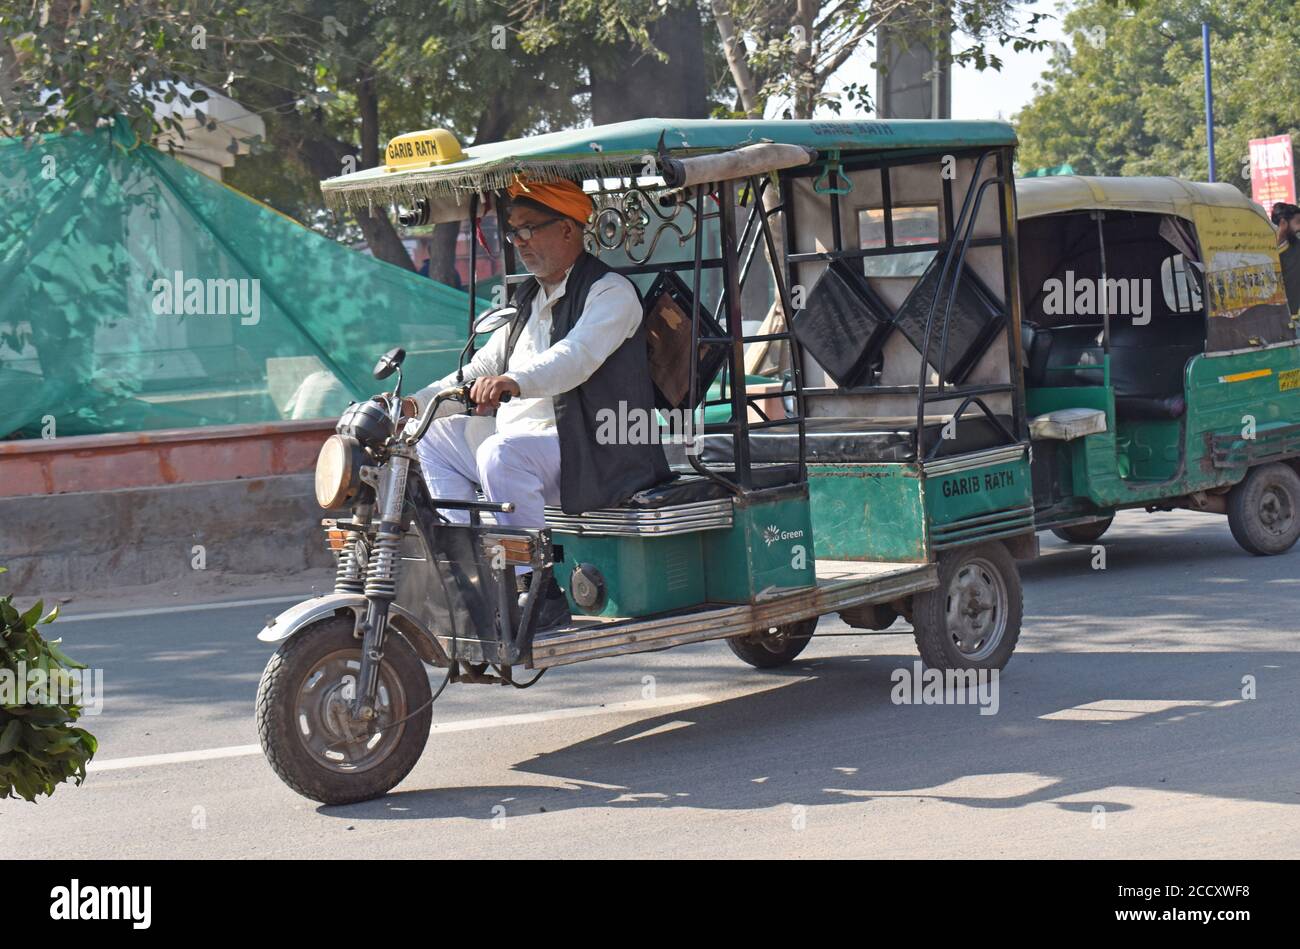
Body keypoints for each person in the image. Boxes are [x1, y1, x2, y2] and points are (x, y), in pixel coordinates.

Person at [411, 176, 670, 629]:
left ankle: (537, 588)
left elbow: (574, 358)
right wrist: (416, 404)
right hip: (526, 448)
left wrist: (512, 381)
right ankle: (468, 572)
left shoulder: (611, 293)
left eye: (529, 229)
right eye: (513, 232)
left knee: (500, 454)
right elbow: (478, 367)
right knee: (432, 435)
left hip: (595, 448)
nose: (519, 242)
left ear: (569, 229)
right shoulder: (526, 298)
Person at [1271, 202, 1300, 315]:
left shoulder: (1296, 246)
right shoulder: (1270, 249)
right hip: (1284, 315)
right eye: (1298, 222)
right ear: (1283, 223)